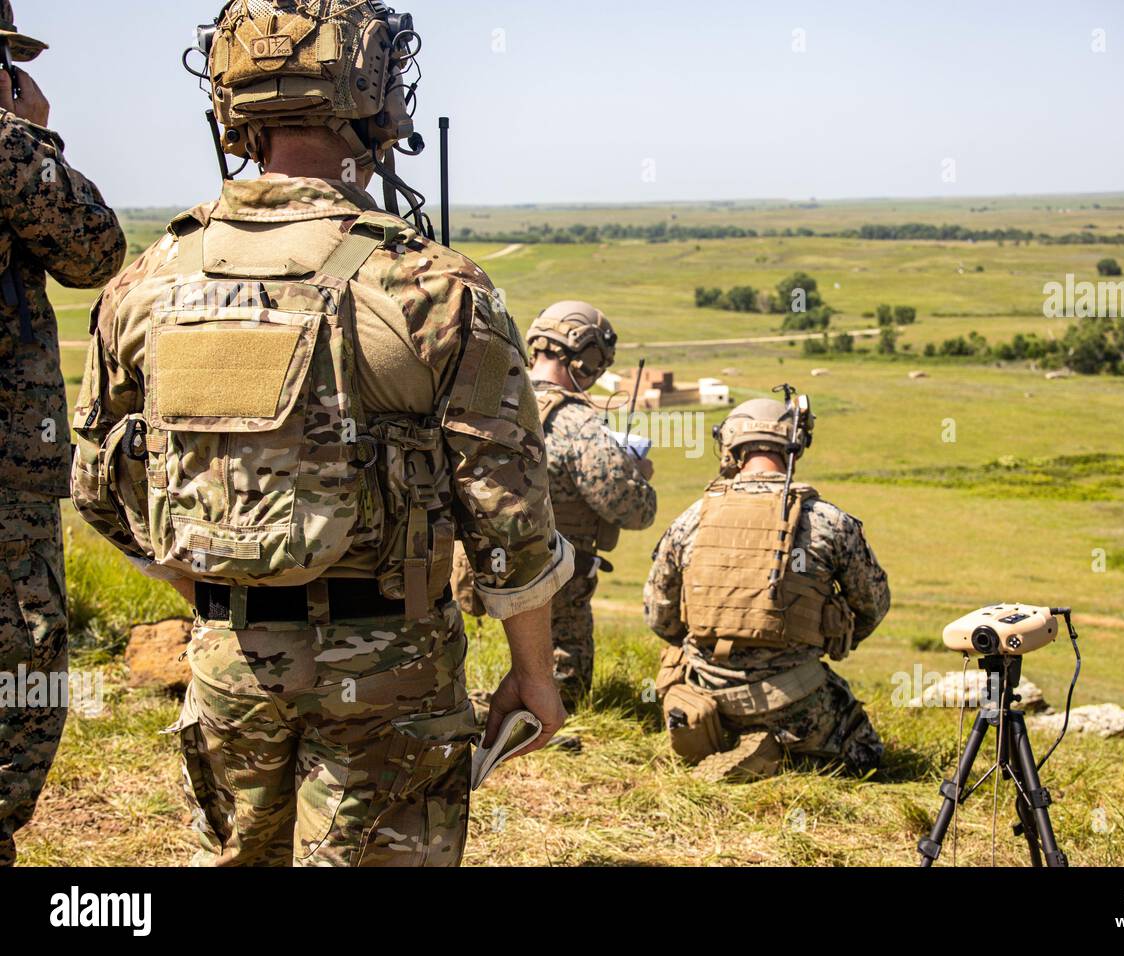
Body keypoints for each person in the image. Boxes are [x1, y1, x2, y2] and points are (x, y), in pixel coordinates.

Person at [70, 0, 569, 866]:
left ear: (228, 105)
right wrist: (533, 671)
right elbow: (508, 511)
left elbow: (100, 483)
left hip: (231, 666)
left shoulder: (147, 282)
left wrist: (221, 599)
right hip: (396, 672)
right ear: (375, 96)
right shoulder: (431, 284)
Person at [0, 0, 126, 866]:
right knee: (24, 678)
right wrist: (31, 135)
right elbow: (96, 251)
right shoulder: (7, 149)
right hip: (6, 493)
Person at [644, 395, 891, 781]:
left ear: (730, 449)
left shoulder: (690, 520)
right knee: (868, 758)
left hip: (706, 698)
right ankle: (777, 748)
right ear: (795, 446)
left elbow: (659, 618)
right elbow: (872, 605)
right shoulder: (829, 522)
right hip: (795, 699)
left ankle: (735, 743)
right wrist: (826, 636)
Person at [523, 302, 657, 708]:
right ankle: (548, 716)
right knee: (566, 677)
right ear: (587, 358)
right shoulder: (577, 422)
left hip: (485, 565)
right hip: (556, 572)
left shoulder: (495, 403)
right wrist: (638, 475)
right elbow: (633, 509)